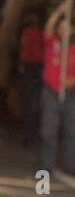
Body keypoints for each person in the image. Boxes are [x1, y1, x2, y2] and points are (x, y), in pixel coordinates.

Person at [39, 1, 75, 179]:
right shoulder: (51, 45)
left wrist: (72, 80)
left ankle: (71, 166)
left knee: (72, 131)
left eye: (67, 27)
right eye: (61, 27)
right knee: (48, 131)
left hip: (71, 94)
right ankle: (47, 167)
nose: (64, 30)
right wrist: (60, 11)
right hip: (51, 92)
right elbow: (48, 27)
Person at [17, 8, 45, 147]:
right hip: (34, 68)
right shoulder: (37, 32)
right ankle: (31, 136)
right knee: (33, 104)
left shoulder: (30, 32)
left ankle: (29, 136)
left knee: (30, 104)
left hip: (32, 68)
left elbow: (23, 49)